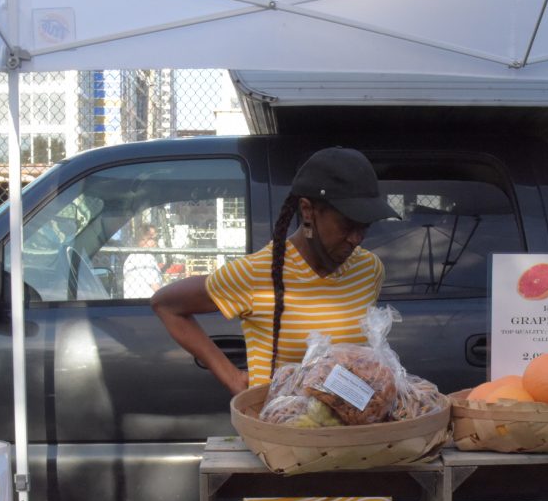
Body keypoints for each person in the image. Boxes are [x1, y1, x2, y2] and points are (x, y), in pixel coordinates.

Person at [152, 147, 400, 395]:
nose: (356, 238)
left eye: (365, 226)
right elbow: (166, 305)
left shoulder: (370, 270)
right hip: (280, 428)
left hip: (352, 429)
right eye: (347, 224)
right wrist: (234, 379)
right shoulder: (255, 273)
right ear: (307, 211)